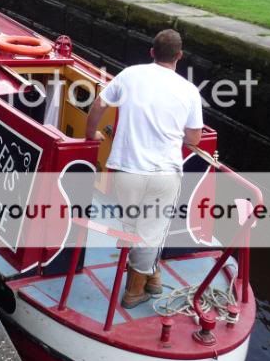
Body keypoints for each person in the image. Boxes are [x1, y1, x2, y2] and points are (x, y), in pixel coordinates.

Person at [85, 29, 203, 308]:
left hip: (127, 171)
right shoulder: (189, 90)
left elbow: (99, 104)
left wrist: (92, 134)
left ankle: (152, 277)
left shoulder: (130, 75)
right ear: (179, 56)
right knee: (150, 232)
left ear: (152, 52)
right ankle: (135, 292)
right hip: (164, 174)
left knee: (134, 226)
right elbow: (195, 139)